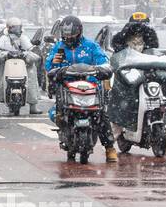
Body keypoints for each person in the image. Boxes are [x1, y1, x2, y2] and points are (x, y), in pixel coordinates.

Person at [44, 15, 117, 163]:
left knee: (101, 115)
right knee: (57, 113)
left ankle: (110, 148)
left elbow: (103, 61)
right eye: (66, 35)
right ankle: (66, 133)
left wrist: (103, 69)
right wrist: (57, 71)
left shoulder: (91, 46)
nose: (69, 38)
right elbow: (51, 66)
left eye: (72, 34)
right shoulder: (59, 48)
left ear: (80, 32)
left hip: (90, 88)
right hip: (67, 89)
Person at [108, 11, 166, 154]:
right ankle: (110, 142)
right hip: (129, 77)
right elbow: (117, 55)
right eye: (136, 25)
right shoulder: (122, 39)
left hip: (147, 77)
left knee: (162, 102)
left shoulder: (150, 38)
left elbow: (154, 53)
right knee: (120, 105)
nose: (140, 28)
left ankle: (164, 140)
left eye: (143, 25)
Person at [0, 16, 41, 115]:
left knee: (30, 80)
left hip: (23, 66)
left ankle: (33, 105)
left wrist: (25, 55)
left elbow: (34, 53)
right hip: (6, 66)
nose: (17, 30)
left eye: (18, 27)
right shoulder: (4, 38)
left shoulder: (23, 38)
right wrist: (6, 55)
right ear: (9, 28)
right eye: (14, 27)